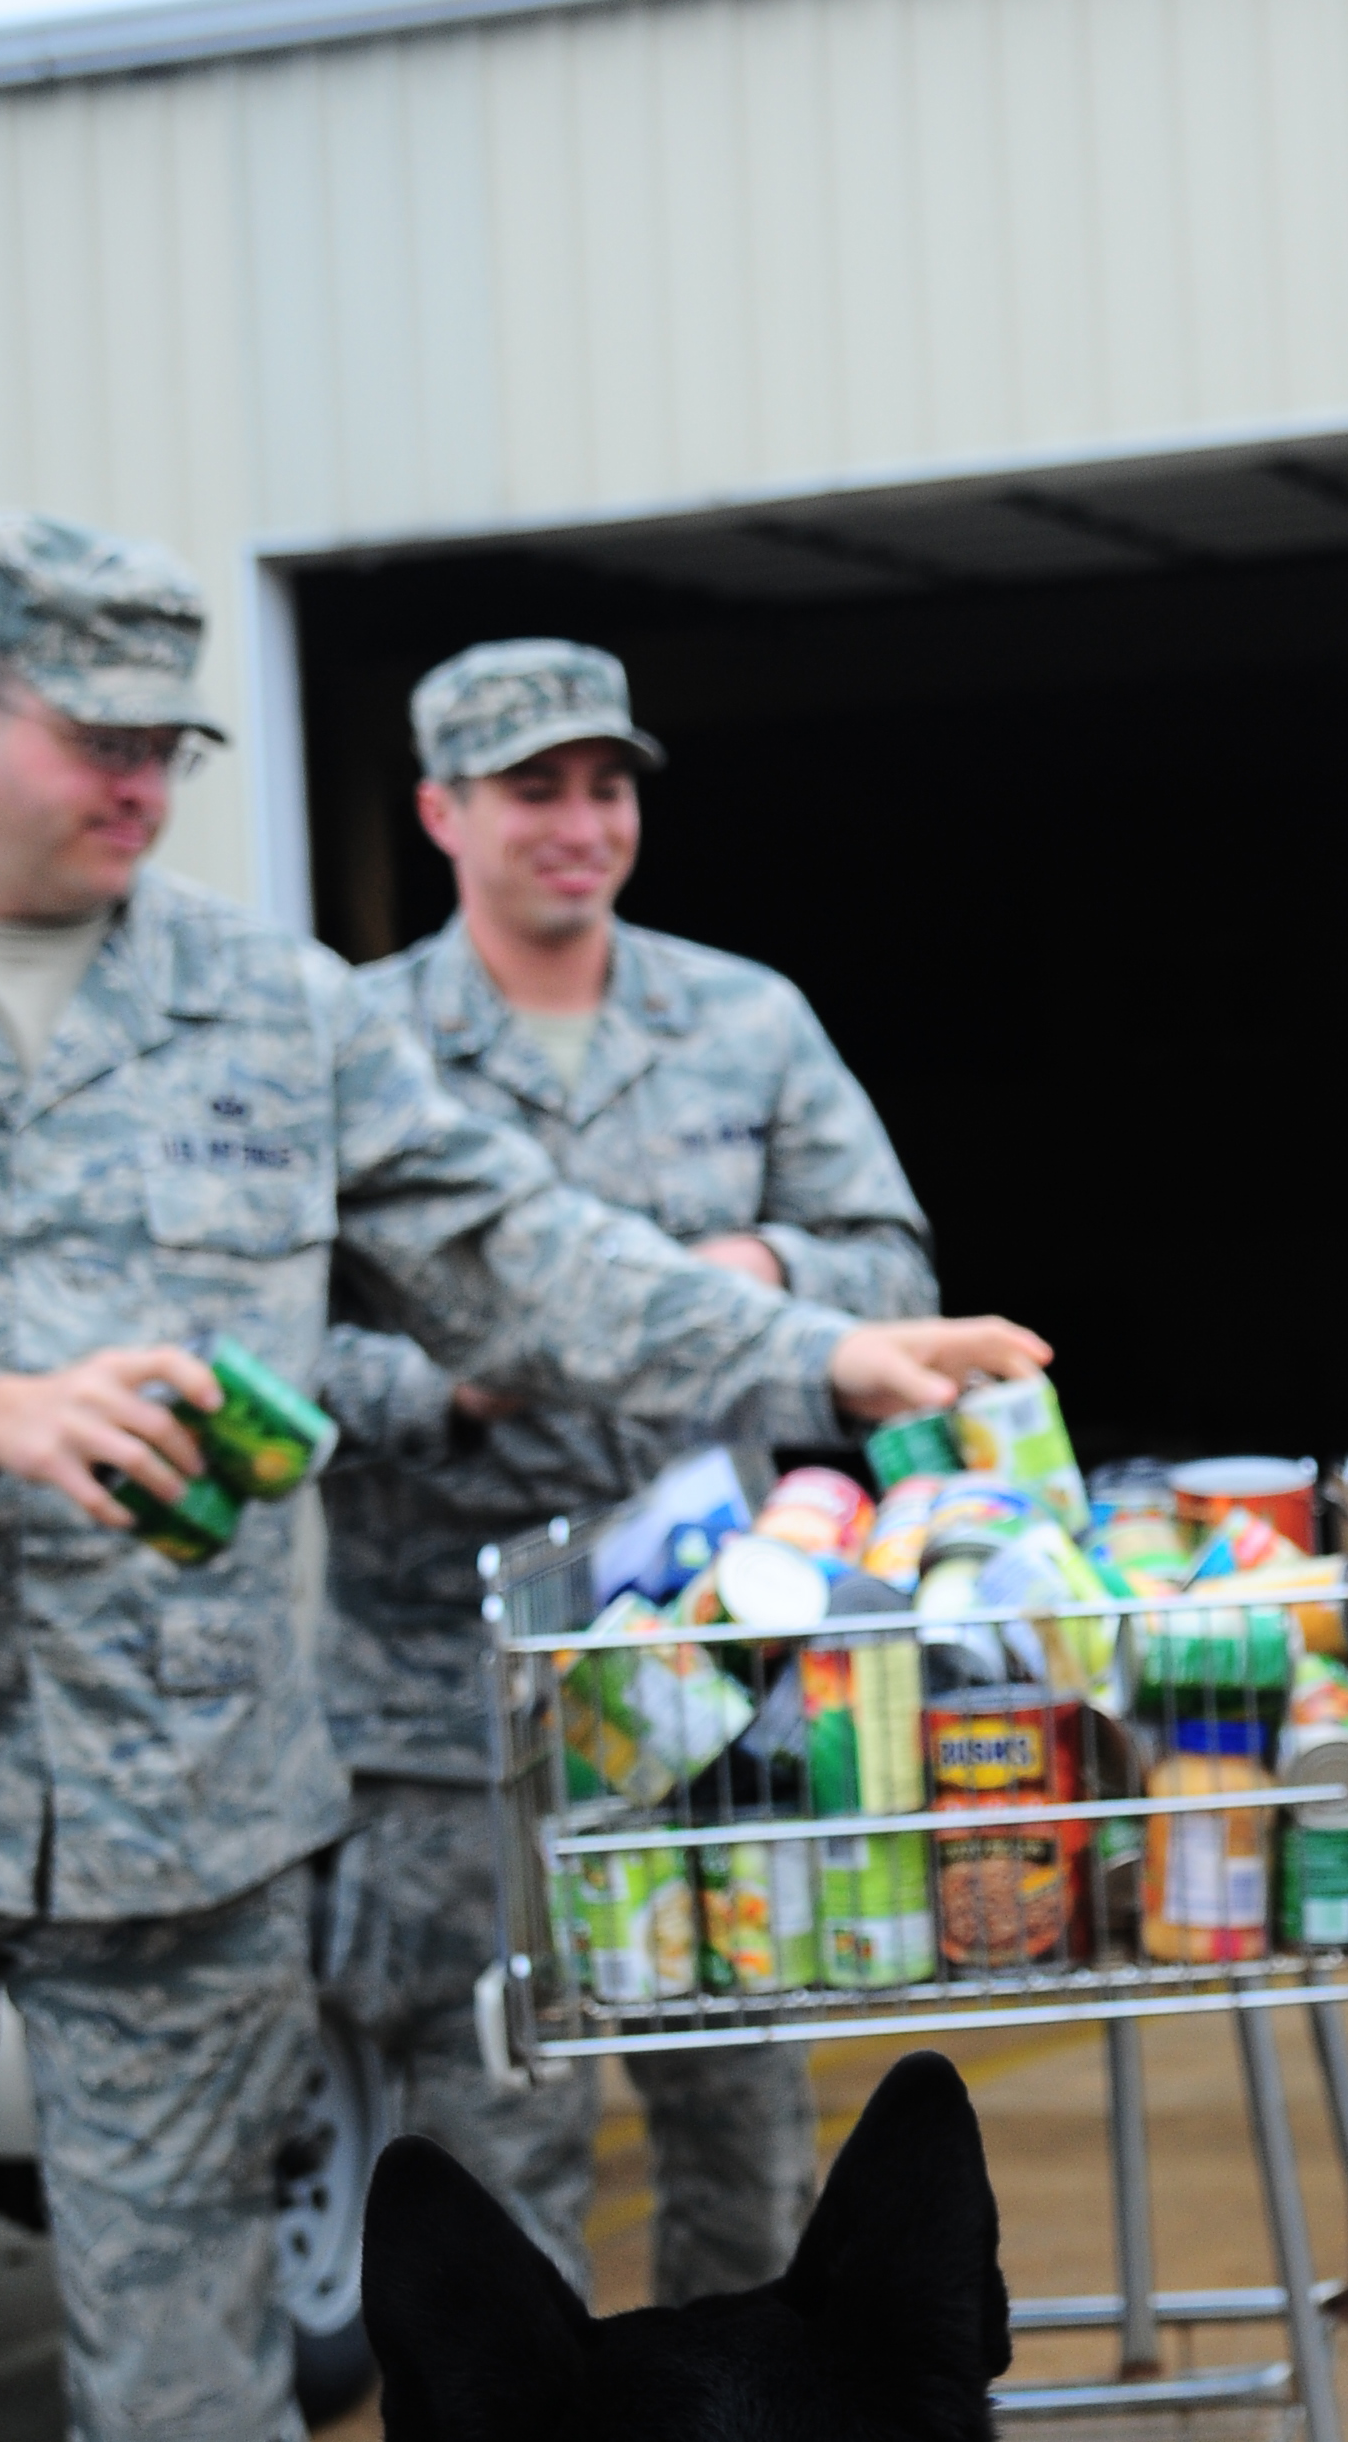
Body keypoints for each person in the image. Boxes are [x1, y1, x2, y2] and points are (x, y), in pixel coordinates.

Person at [0, 516, 1039, 2442]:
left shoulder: (275, 1019)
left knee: (176, 2344)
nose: (143, 797)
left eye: (175, 749)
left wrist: (835, 1346)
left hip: (186, 1792)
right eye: (99, 746)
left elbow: (515, 1252)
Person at [314, 636, 945, 2306]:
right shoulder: (356, 1043)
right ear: (444, 811)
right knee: (492, 2147)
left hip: (706, 1667)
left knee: (745, 2134)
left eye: (605, 787)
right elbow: (271, 1350)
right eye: (534, 790)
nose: (578, 822)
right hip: (449, 1693)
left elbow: (890, 1271)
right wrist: (443, 1391)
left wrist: (754, 1267)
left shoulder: (743, 1020)